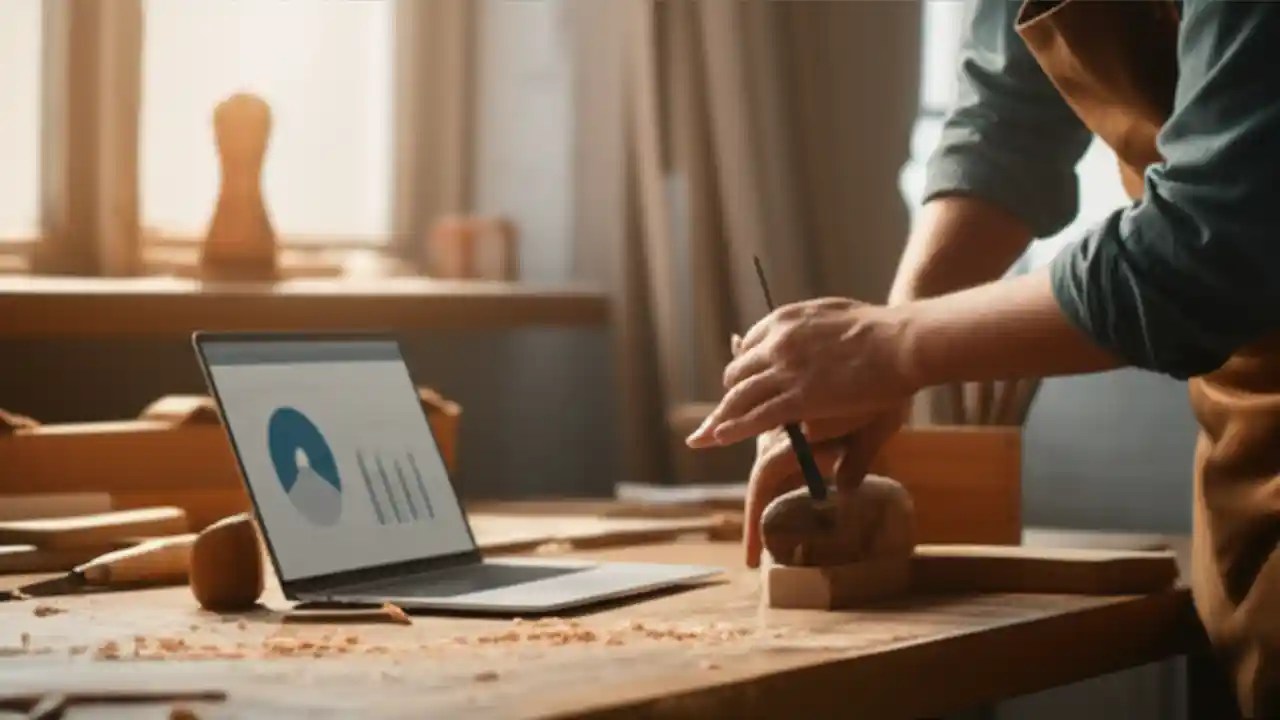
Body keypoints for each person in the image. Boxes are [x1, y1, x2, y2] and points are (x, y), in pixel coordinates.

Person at [684, 0, 1280, 716]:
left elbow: (1209, 246)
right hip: (1245, 455)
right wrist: (890, 344)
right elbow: (1005, 124)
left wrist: (889, 347)